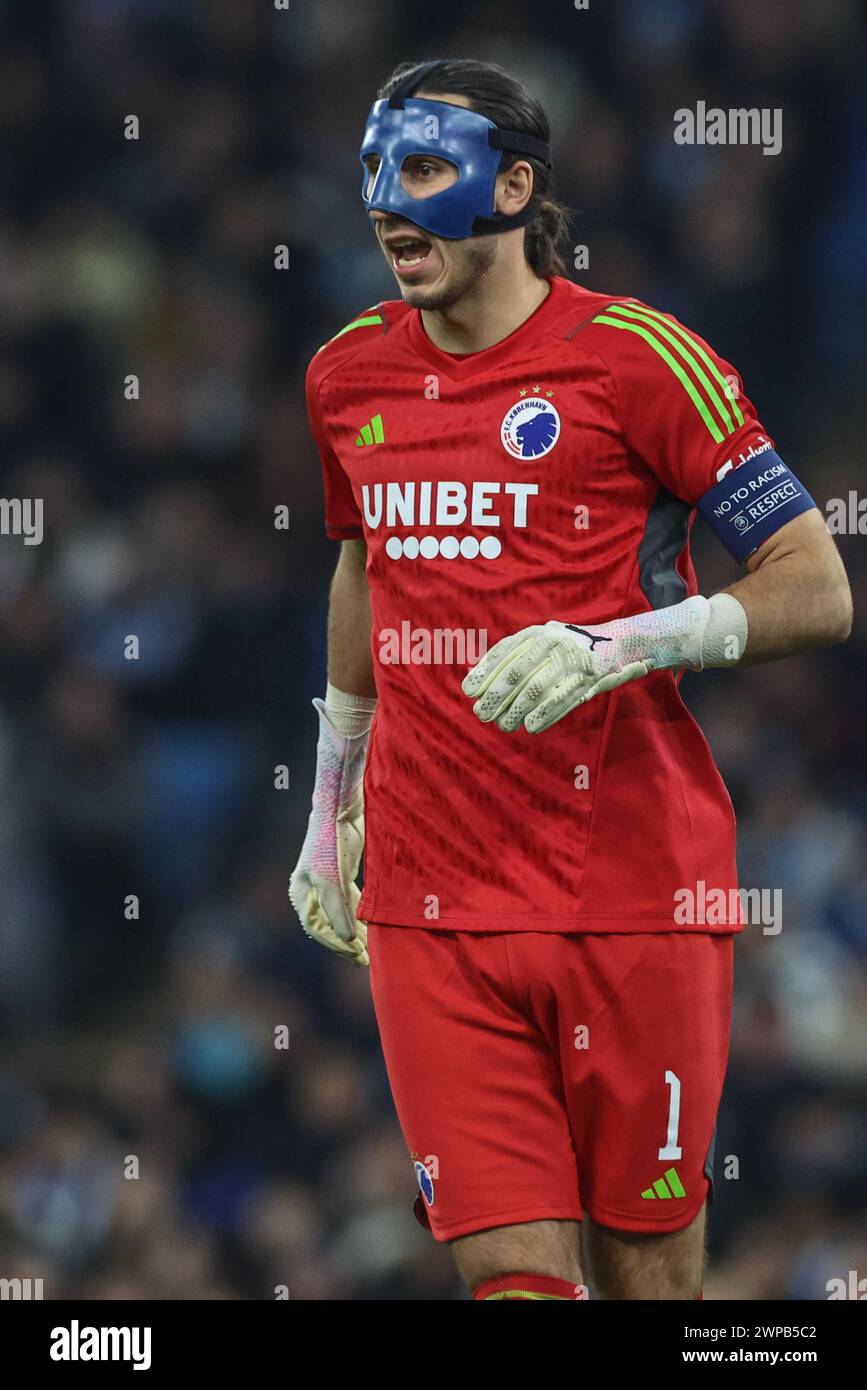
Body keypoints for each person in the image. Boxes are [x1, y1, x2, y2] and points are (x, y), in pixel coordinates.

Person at [290, 57, 852, 1301]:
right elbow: (362, 567)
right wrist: (334, 785)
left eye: (424, 169)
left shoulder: (641, 359)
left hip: (633, 888)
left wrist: (621, 645)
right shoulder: (347, 375)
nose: (388, 201)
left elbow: (818, 586)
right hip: (432, 906)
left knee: (653, 1285)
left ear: (516, 185)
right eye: (376, 173)